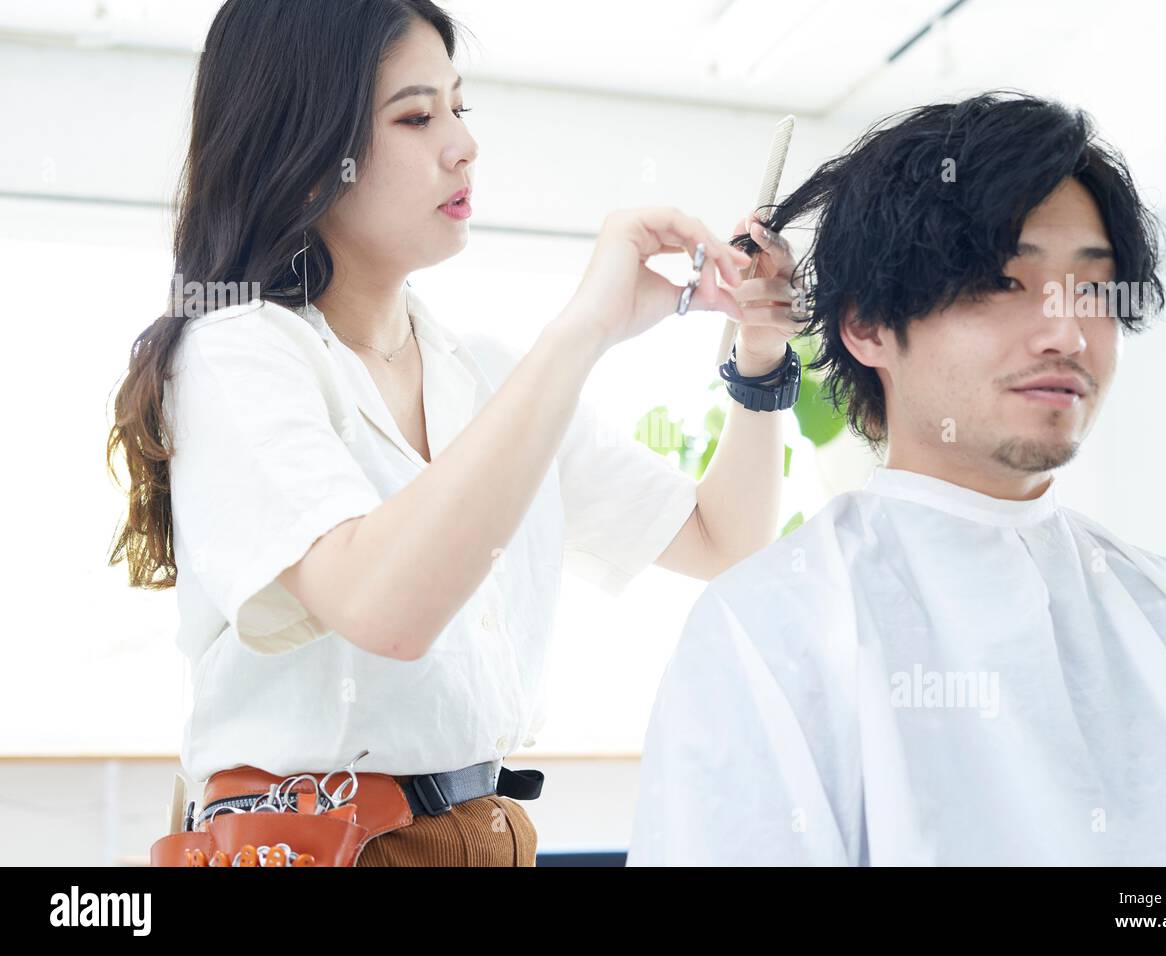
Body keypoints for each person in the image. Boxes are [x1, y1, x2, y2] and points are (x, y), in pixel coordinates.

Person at [106, 0, 807, 866]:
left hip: (487, 834)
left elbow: (723, 541)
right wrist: (582, 331)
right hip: (323, 842)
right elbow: (384, 610)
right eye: (415, 115)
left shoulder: (483, 375)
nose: (462, 143)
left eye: (459, 106)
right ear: (308, 150)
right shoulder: (237, 352)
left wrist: (761, 355)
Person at [626, 92, 1166, 866]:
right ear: (867, 326)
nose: (1067, 331)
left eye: (1092, 287)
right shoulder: (774, 636)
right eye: (1005, 283)